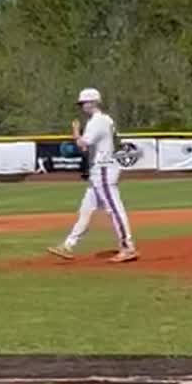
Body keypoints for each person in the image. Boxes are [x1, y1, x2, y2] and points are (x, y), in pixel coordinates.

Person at [48, 86, 138, 263]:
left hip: (103, 169)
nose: (82, 106)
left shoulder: (97, 121)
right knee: (86, 211)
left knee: (114, 209)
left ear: (94, 102)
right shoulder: (106, 120)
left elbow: (83, 144)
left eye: (84, 103)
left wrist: (75, 133)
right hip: (100, 170)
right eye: (81, 103)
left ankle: (128, 247)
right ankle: (68, 245)